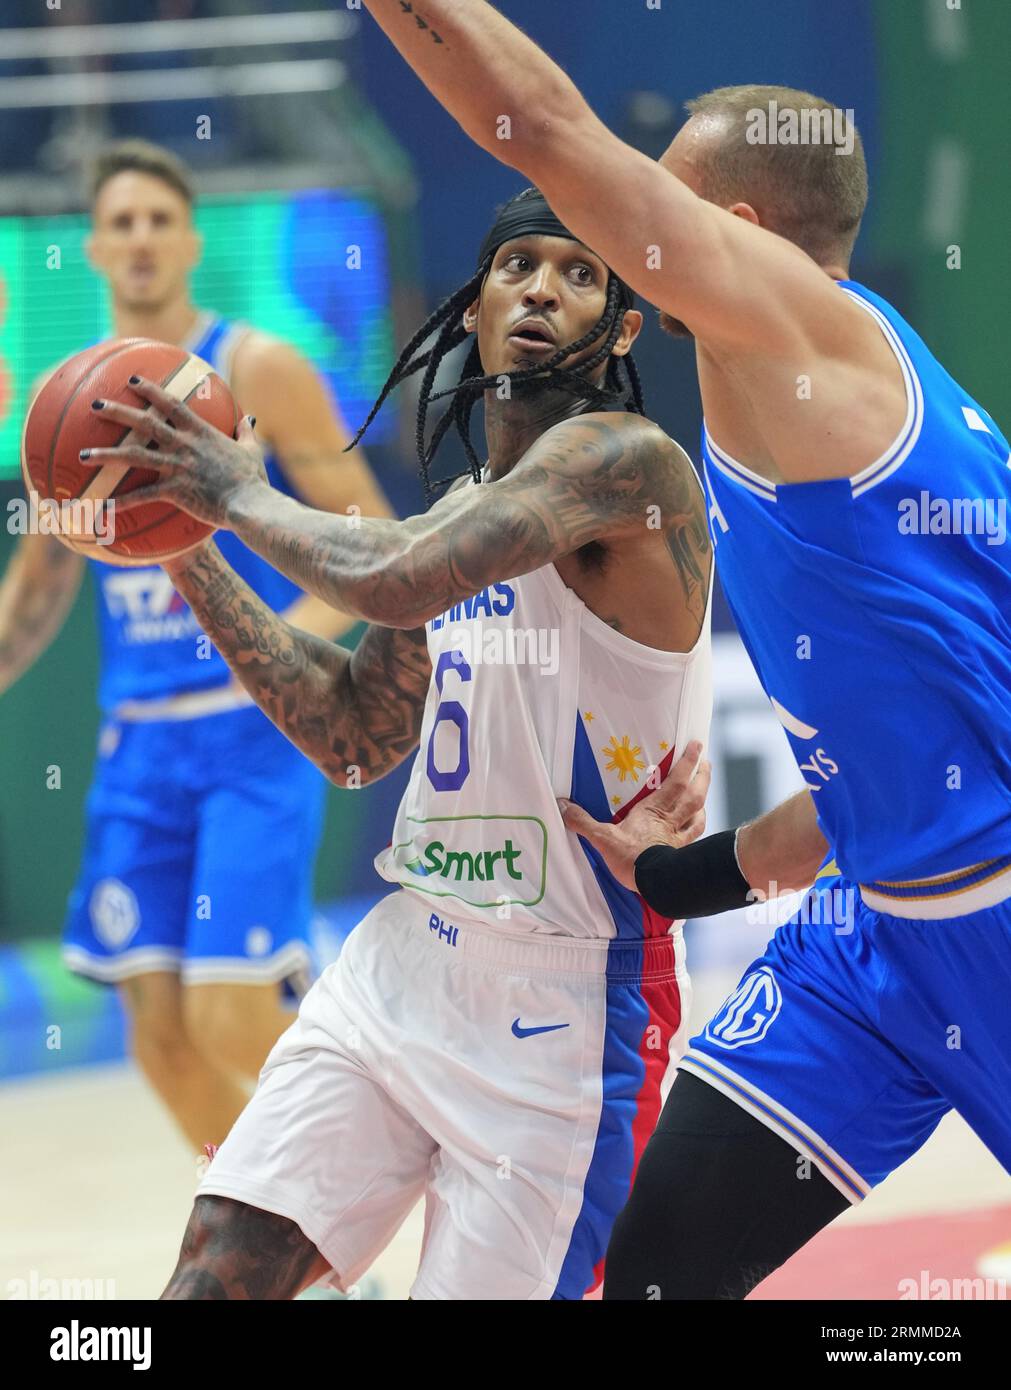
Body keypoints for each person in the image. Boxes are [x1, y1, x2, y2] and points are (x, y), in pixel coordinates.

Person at [356, 1, 1011, 1298]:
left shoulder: (802, 338)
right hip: (869, 943)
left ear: (741, 238)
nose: (622, 220)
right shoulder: (802, 383)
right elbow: (864, 777)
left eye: (661, 198)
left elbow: (542, 129)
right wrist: (679, 875)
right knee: (653, 1270)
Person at [80, 187, 715, 1300]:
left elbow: (394, 573)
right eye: (518, 264)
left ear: (620, 327)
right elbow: (356, 736)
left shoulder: (630, 466)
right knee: (212, 1280)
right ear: (474, 306)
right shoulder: (460, 500)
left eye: (581, 273)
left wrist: (231, 491)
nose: (543, 289)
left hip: (563, 1011)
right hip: (403, 962)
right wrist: (180, 543)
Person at [0, 140, 390, 1153]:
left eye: (156, 220)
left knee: (230, 1014)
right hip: (138, 748)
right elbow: (39, 593)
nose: (138, 238)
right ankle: (297, 1259)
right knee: (160, 1039)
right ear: (89, 248)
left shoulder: (257, 367)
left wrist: (272, 653)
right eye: (119, 222)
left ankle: (415, 1153)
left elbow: (368, 543)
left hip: (247, 730)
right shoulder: (65, 401)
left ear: (189, 242)